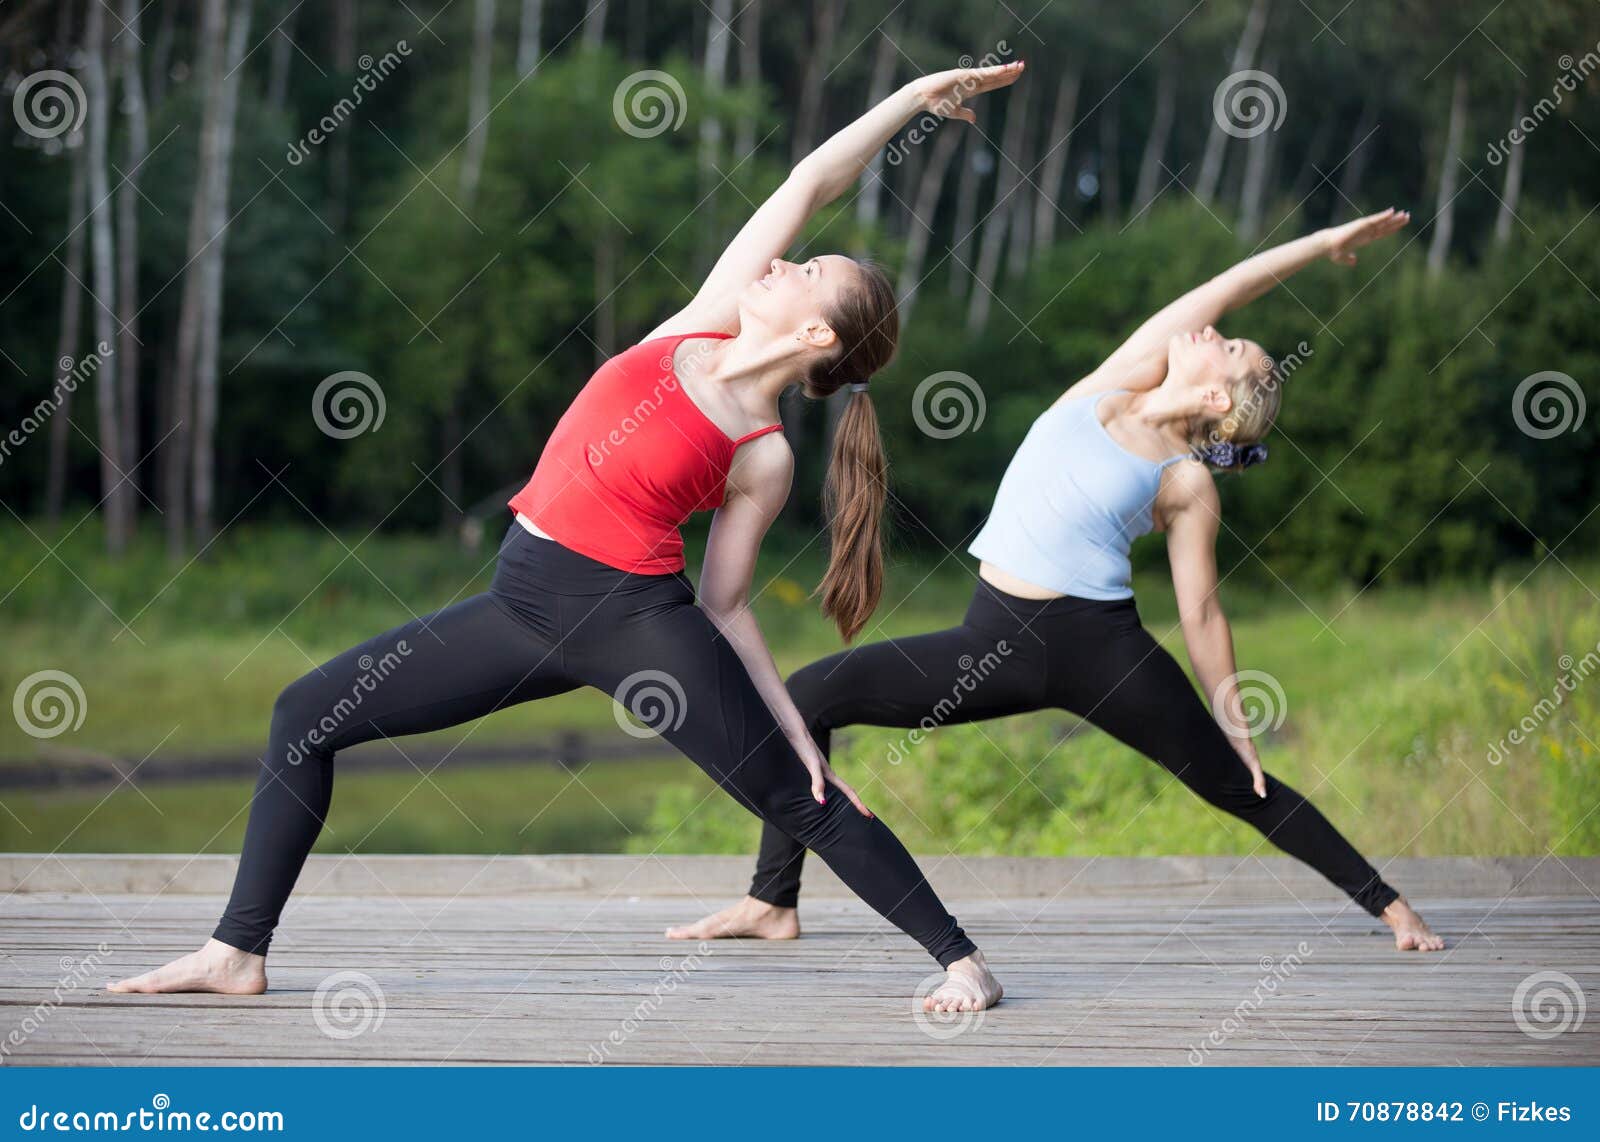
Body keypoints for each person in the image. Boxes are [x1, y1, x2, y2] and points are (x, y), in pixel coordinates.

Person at [108, 61, 1030, 1013]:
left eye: (812, 274)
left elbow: (722, 604)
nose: (791, 262)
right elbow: (807, 181)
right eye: (807, 256)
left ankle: (964, 960)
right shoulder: (698, 328)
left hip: (633, 623)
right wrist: (913, 99)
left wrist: (798, 732)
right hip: (521, 603)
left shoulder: (762, 454)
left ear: (818, 339)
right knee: (304, 715)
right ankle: (236, 950)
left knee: (797, 794)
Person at [669, 209, 1448, 955]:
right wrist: (1320, 244)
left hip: (1102, 651)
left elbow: (1202, 612)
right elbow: (1222, 289)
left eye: (1231, 346)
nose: (1213, 329)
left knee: (1237, 782)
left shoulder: (1186, 482)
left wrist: (1234, 718)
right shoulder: (1109, 387)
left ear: (1218, 399)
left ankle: (1390, 903)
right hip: (990, 640)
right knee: (809, 695)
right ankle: (774, 901)